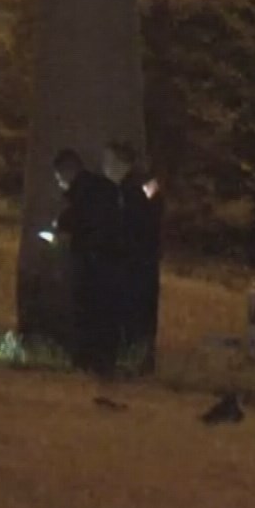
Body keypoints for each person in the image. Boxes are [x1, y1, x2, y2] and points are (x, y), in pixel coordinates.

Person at [50, 148, 124, 376]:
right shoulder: (105, 188)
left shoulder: (84, 193)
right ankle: (104, 361)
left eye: (60, 179)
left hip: (91, 262)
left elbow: (79, 220)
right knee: (105, 314)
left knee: (87, 311)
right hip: (111, 261)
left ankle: (87, 361)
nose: (60, 184)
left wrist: (59, 226)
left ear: (68, 172)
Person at [105, 140, 164, 373]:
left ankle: (134, 359)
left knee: (134, 312)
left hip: (135, 261)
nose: (105, 167)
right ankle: (136, 357)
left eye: (108, 161)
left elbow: (138, 222)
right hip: (141, 260)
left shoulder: (133, 190)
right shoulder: (141, 187)